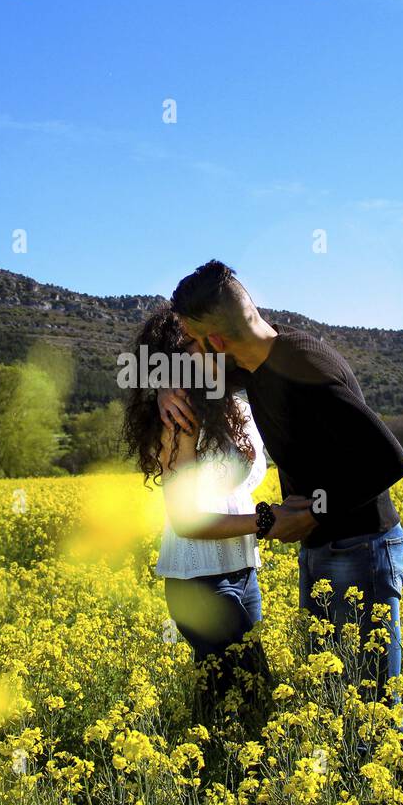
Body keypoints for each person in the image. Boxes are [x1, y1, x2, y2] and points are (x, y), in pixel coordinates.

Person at [159, 261, 403, 793]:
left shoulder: (305, 368)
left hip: (360, 549)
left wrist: (313, 514)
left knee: (375, 704)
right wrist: (163, 391)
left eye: (191, 340)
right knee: (340, 699)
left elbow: (389, 460)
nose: (186, 353)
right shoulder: (255, 360)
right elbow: (181, 373)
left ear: (213, 338)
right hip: (326, 550)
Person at [121, 306, 273, 728]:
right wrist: (265, 522)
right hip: (198, 579)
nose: (210, 349)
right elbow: (187, 520)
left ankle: (209, 778)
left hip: (244, 571)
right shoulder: (179, 417)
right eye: (193, 345)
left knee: (230, 699)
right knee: (253, 689)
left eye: (208, 340)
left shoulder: (233, 399)